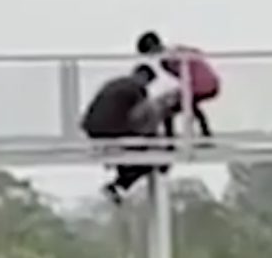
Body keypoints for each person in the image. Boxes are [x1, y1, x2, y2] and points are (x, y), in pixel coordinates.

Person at [81, 63, 167, 203]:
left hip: (92, 129)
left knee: (133, 153)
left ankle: (120, 178)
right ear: (144, 77)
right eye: (149, 82)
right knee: (150, 158)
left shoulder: (114, 83)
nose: (148, 86)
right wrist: (156, 141)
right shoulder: (137, 90)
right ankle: (120, 184)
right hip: (112, 129)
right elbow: (145, 119)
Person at [135, 31, 220, 137]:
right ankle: (205, 132)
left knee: (169, 107)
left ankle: (169, 139)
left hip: (197, 85)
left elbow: (183, 75)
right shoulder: (176, 50)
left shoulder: (167, 58)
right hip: (210, 82)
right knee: (188, 103)